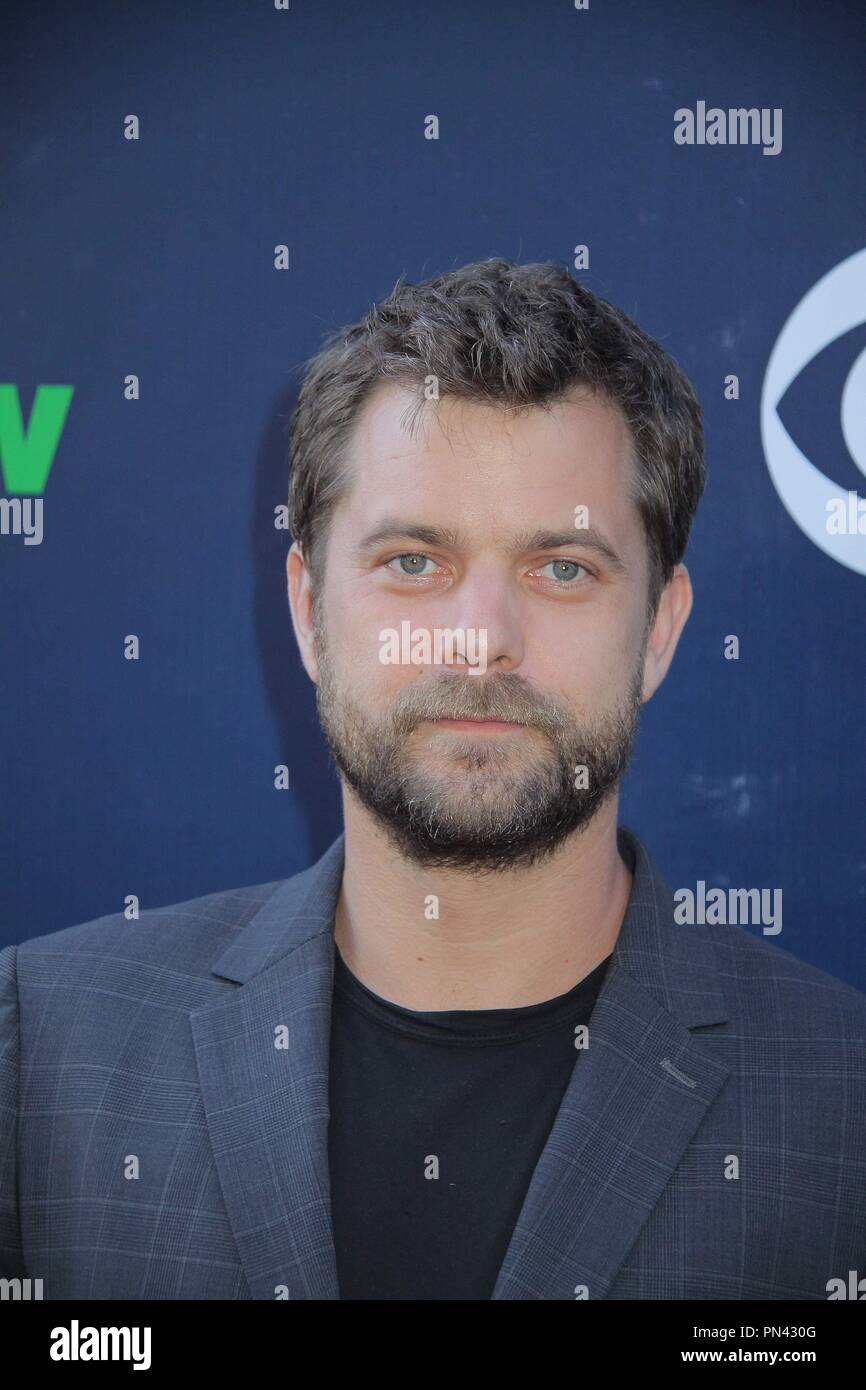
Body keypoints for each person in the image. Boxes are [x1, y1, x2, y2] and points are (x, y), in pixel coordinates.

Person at [1, 259, 864, 1301]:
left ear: (660, 630)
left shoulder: (842, 1099)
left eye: (562, 569)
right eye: (414, 562)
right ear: (309, 610)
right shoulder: (42, 1057)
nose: (478, 643)